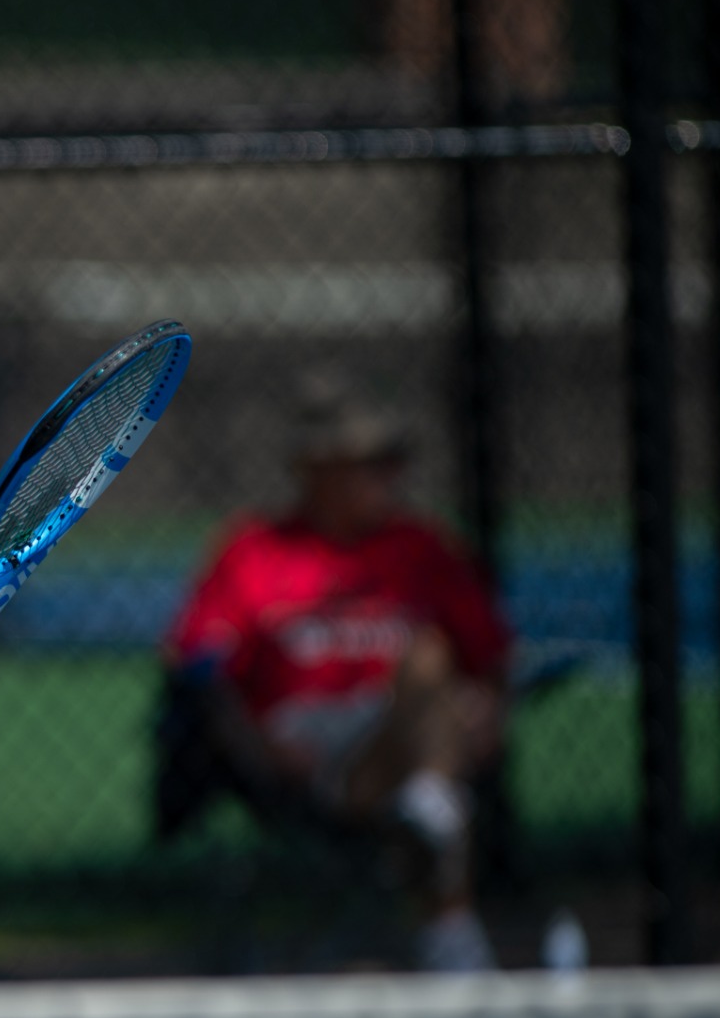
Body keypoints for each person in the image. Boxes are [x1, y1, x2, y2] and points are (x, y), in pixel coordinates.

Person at [159, 374, 510, 973]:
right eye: (371, 463)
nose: (390, 477)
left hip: (409, 728)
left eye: (393, 461)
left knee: (428, 667)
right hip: (310, 748)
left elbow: (491, 659)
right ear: (317, 470)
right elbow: (197, 665)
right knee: (432, 772)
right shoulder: (254, 550)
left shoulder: (421, 549)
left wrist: (488, 711)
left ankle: (428, 808)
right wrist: (255, 748)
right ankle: (450, 918)